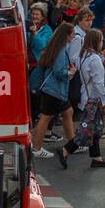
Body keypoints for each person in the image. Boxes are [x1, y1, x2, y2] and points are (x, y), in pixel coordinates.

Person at [56, 28, 105, 168]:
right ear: (96, 41)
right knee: (86, 131)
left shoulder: (83, 55)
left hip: (86, 97)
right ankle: (65, 150)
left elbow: (89, 69)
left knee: (96, 128)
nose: (103, 42)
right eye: (101, 39)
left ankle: (97, 158)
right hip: (93, 100)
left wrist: (102, 57)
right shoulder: (94, 58)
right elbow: (98, 82)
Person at [30, 22, 75, 158]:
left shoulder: (56, 47)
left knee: (67, 112)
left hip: (54, 90)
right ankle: (37, 148)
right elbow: (59, 71)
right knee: (46, 117)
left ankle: (73, 144)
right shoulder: (61, 49)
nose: (74, 35)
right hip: (54, 90)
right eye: (72, 33)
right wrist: (70, 72)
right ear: (66, 35)